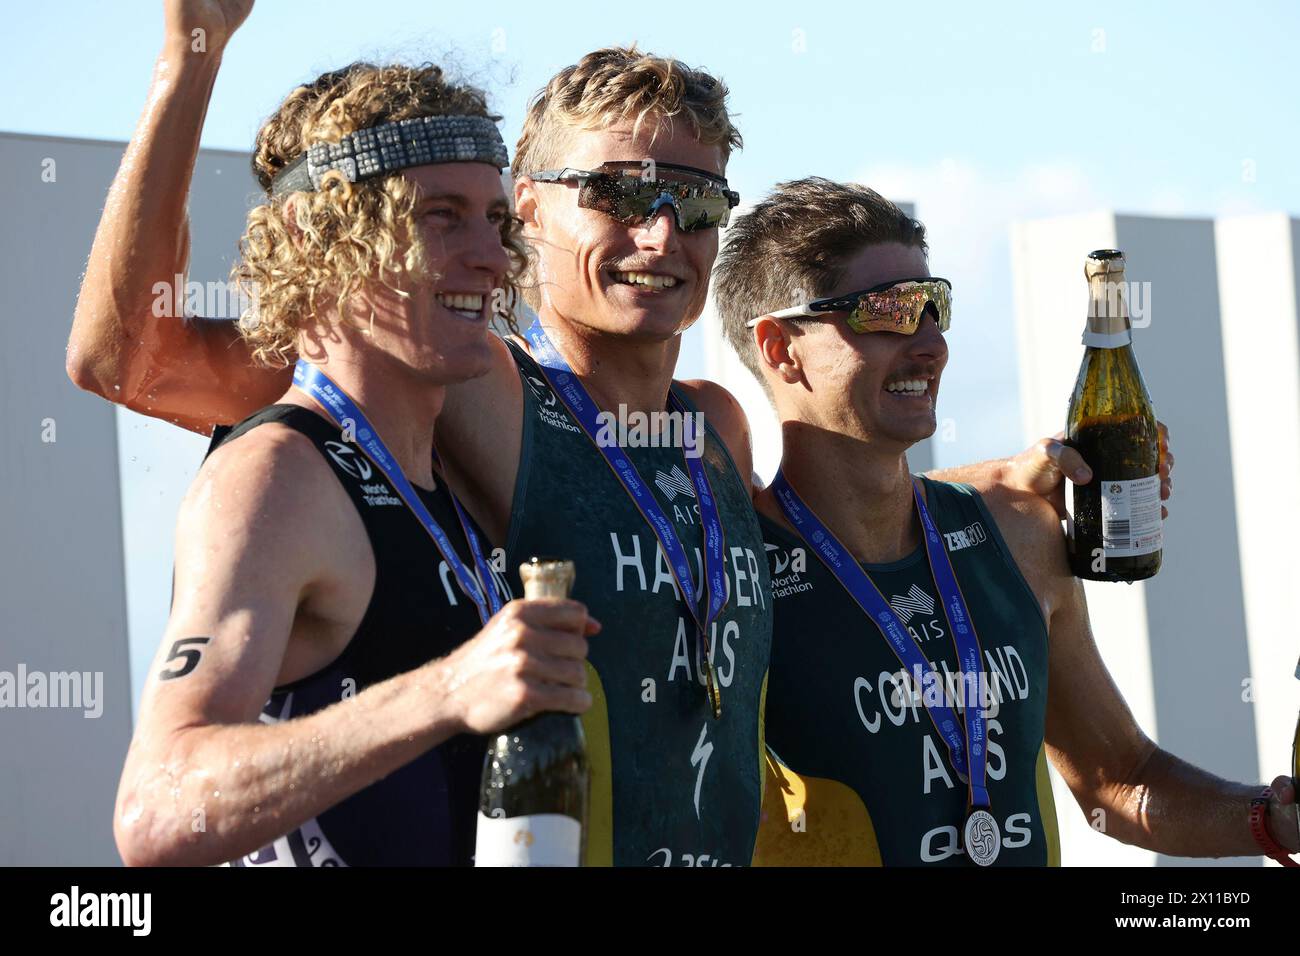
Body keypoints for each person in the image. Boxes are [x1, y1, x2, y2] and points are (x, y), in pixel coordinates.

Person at [70, 22, 1099, 865]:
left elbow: (818, 526)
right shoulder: (463, 383)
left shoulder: (712, 428)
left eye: (694, 204)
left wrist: (1004, 476)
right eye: (616, 194)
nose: (661, 236)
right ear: (529, 210)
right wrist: (189, 58)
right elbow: (135, 356)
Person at [88, 1, 595, 867]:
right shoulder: (276, 477)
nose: (491, 255)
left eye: (493, 219)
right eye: (441, 216)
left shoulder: (443, 468)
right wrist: (446, 690)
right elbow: (158, 806)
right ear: (318, 237)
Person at [713, 176, 1299, 866]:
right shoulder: (731, 561)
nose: (932, 344)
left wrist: (1275, 823)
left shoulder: (1015, 535)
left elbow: (1120, 782)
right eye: (892, 311)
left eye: (935, 307)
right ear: (782, 348)